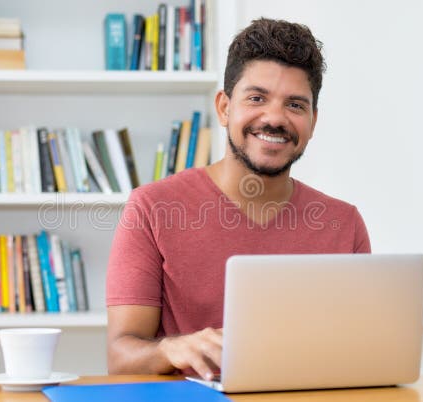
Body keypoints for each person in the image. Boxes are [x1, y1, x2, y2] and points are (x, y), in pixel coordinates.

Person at [105, 18, 371, 380]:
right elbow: (120, 356)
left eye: (295, 105)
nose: (275, 118)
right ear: (225, 107)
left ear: (313, 120)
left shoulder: (345, 224)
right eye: (257, 98)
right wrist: (171, 347)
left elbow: (361, 352)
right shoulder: (151, 208)